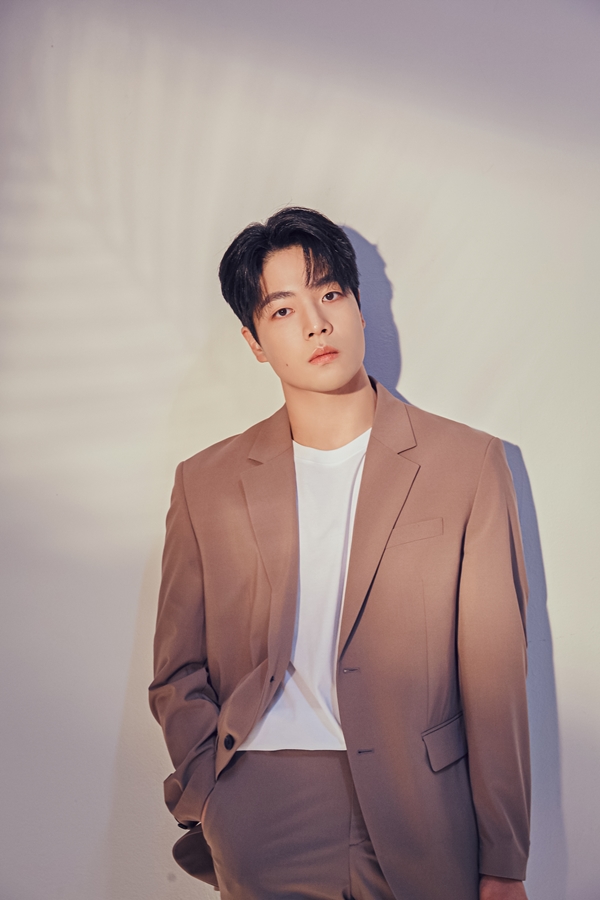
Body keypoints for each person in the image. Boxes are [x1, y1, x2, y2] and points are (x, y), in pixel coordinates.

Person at [149, 207, 530, 900]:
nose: (316, 324)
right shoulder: (206, 483)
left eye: (329, 294)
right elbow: (177, 668)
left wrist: (504, 859)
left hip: (425, 812)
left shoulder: (468, 465)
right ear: (254, 342)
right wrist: (211, 792)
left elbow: (495, 675)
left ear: (357, 307)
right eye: (283, 310)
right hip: (262, 810)